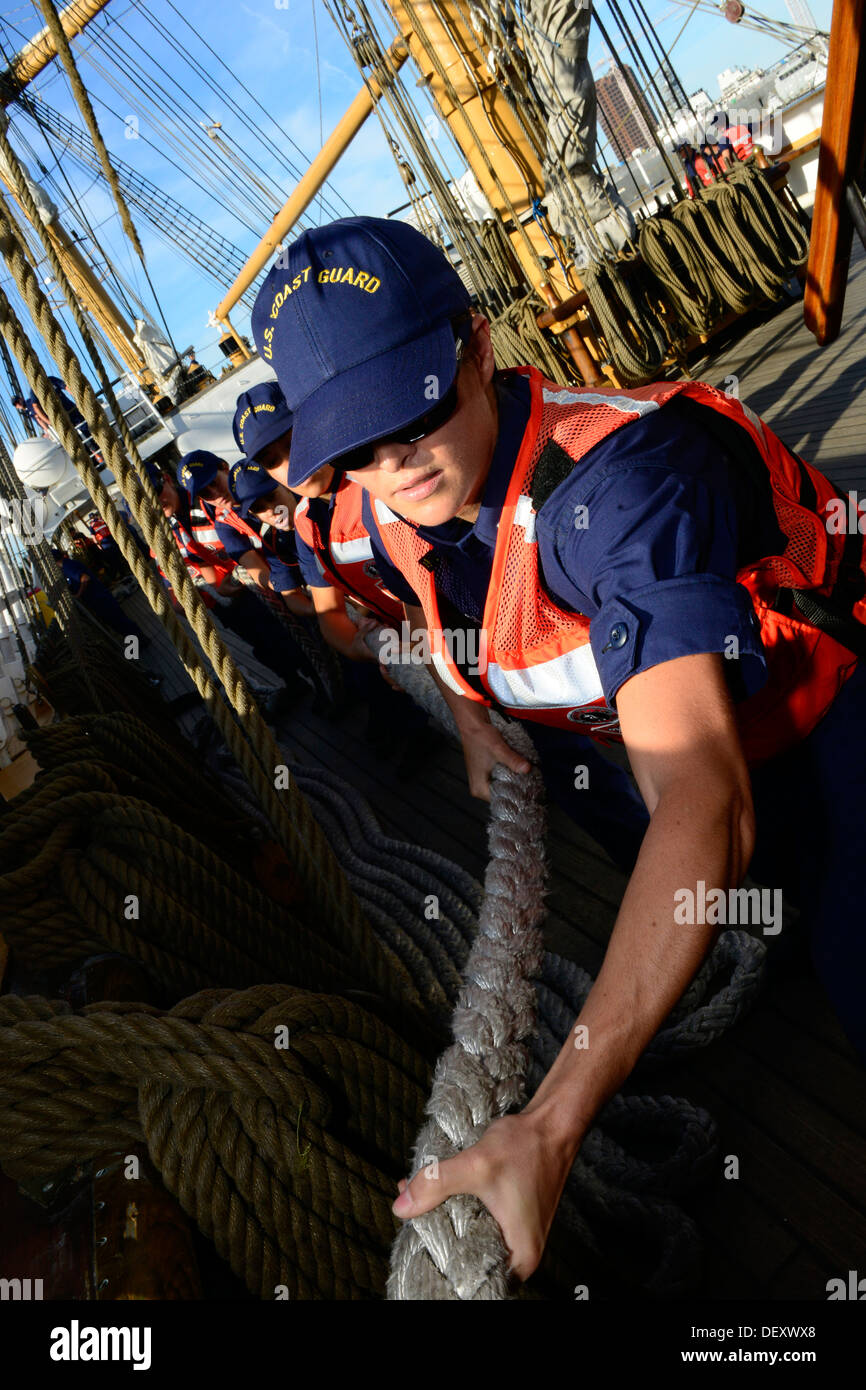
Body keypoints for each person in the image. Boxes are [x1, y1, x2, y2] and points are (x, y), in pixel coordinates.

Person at [250, 214, 866, 1279]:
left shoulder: (623, 486)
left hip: (830, 725)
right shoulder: (395, 505)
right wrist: (467, 713)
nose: (393, 463)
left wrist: (548, 1122)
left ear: (479, 348)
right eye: (356, 443)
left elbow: (702, 803)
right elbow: (443, 607)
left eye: (415, 411)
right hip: (685, 753)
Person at [143, 459, 329, 706]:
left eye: (157, 492)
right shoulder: (166, 529)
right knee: (261, 647)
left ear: (166, 479)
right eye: (148, 503)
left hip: (258, 586)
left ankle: (323, 685)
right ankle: (294, 684)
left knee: (289, 638)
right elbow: (191, 562)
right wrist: (211, 590)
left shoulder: (210, 502)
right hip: (226, 600)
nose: (157, 502)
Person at [176, 448, 313, 617]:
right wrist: (287, 583)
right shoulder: (225, 525)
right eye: (205, 493)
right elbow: (258, 571)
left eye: (214, 482)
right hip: (299, 577)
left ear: (224, 467)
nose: (216, 494)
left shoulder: (262, 473)